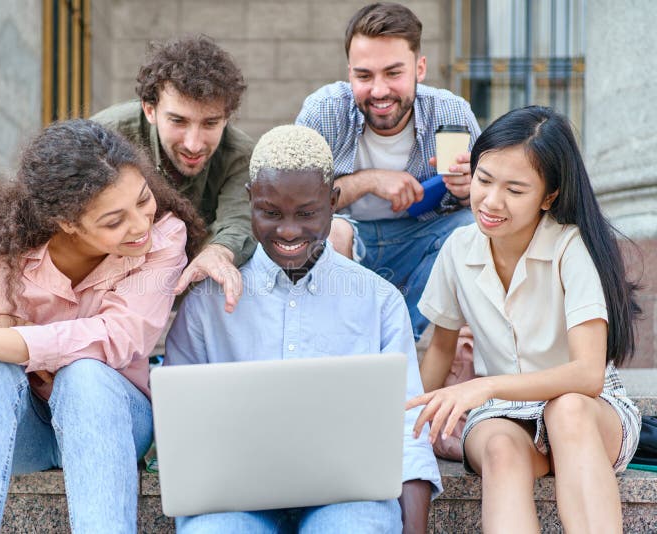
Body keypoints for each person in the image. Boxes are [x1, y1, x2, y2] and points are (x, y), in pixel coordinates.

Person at [0, 119, 207, 533]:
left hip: (112, 420)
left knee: (86, 376)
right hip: (19, 429)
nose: (139, 225)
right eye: (114, 220)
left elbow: (121, 337)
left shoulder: (164, 240)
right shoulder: (1, 255)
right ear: (66, 223)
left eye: (144, 199)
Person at [166, 125, 441, 534]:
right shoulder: (206, 302)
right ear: (250, 203)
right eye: (271, 213)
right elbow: (181, 430)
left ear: (333, 203)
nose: (289, 231)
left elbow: (408, 426)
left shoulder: (378, 300)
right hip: (230, 503)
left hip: (347, 501)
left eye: (307, 213)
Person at [407, 106, 641, 533]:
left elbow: (587, 375)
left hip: (590, 412)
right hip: (503, 417)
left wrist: (487, 385)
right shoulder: (458, 248)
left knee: (566, 410)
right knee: (499, 448)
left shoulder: (571, 247)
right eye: (483, 179)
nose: (492, 202)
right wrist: (409, 425)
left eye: (515, 190)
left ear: (548, 196)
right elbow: (440, 348)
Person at [296, 2, 480, 339]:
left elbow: (491, 210)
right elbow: (295, 208)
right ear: (349, 71)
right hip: (349, 240)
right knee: (331, 233)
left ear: (419, 68)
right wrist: (369, 181)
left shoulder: (452, 113)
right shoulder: (324, 110)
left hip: (422, 244)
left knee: (470, 231)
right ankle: (341, 342)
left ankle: (396, 344)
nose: (379, 91)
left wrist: (474, 190)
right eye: (364, 76)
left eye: (393, 73)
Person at [92, 35, 256, 313]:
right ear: (150, 110)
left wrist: (218, 253)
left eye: (210, 123)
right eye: (178, 121)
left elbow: (239, 220)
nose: (194, 144)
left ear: (227, 117)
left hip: (193, 288)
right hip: (102, 283)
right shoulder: (104, 135)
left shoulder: (241, 154)